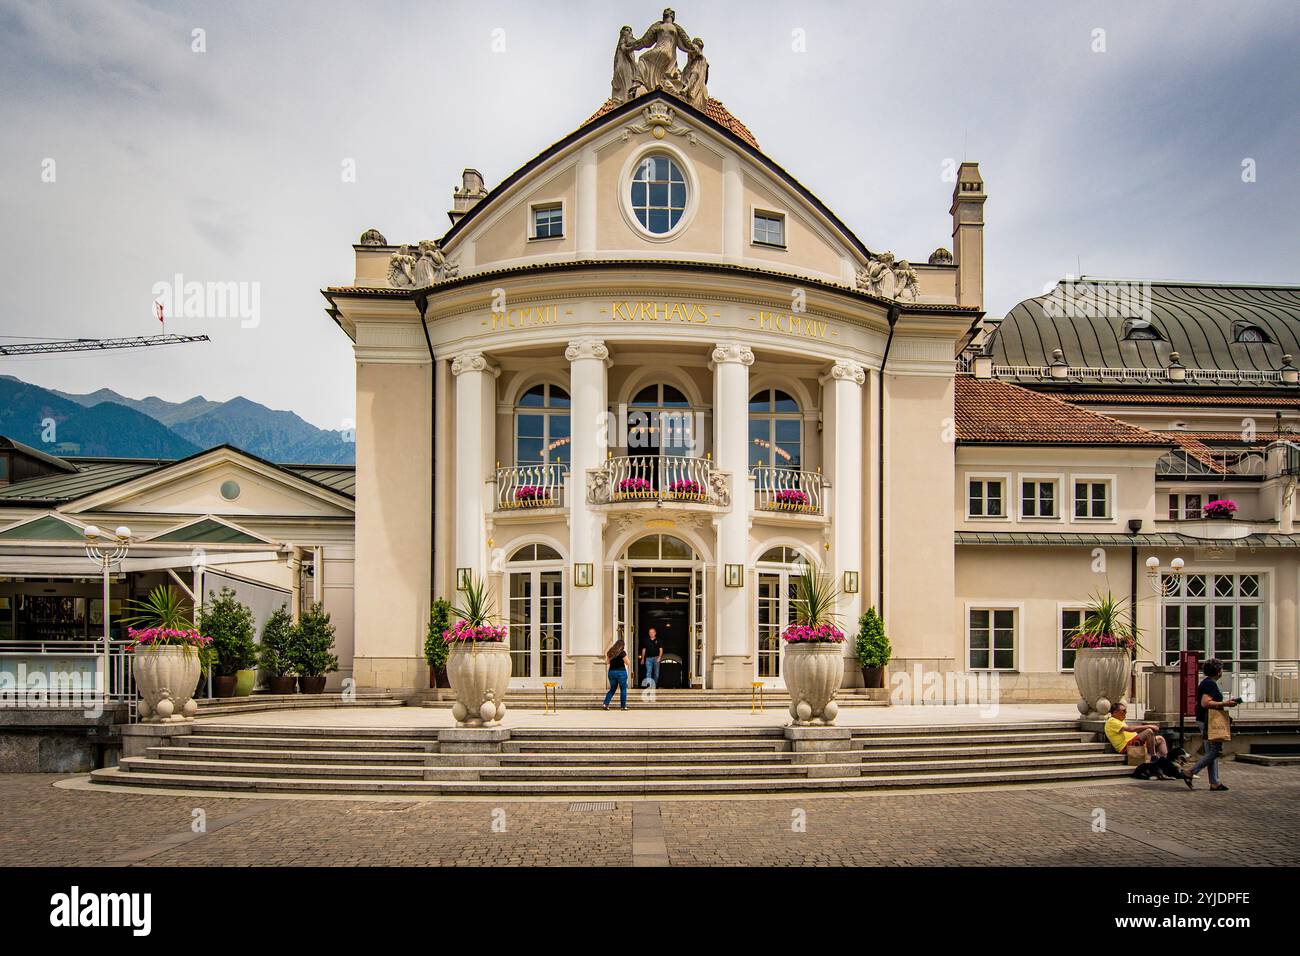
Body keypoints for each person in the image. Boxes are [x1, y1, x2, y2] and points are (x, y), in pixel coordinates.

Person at [1184, 658, 1239, 791]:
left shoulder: (1207, 682)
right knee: (1215, 751)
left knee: (1210, 752)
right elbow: (1205, 703)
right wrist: (1226, 703)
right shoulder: (1210, 684)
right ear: (1218, 671)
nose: (1222, 671)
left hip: (1204, 719)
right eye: (1221, 669)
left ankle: (1215, 782)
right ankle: (1191, 771)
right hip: (1209, 721)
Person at [1104, 701, 1170, 767]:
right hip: (1126, 747)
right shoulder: (1112, 721)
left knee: (1160, 739)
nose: (1126, 712)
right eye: (1123, 711)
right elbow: (1130, 729)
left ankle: (1166, 763)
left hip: (1135, 743)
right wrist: (1149, 726)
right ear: (1115, 712)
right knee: (1149, 731)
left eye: (1126, 710)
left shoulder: (1119, 720)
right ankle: (1153, 757)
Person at [603, 639, 629, 711]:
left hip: (611, 672)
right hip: (621, 672)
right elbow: (627, 663)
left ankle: (605, 704)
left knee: (612, 689)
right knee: (623, 689)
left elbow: (607, 662)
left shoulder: (610, 652)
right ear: (622, 645)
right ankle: (623, 706)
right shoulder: (622, 652)